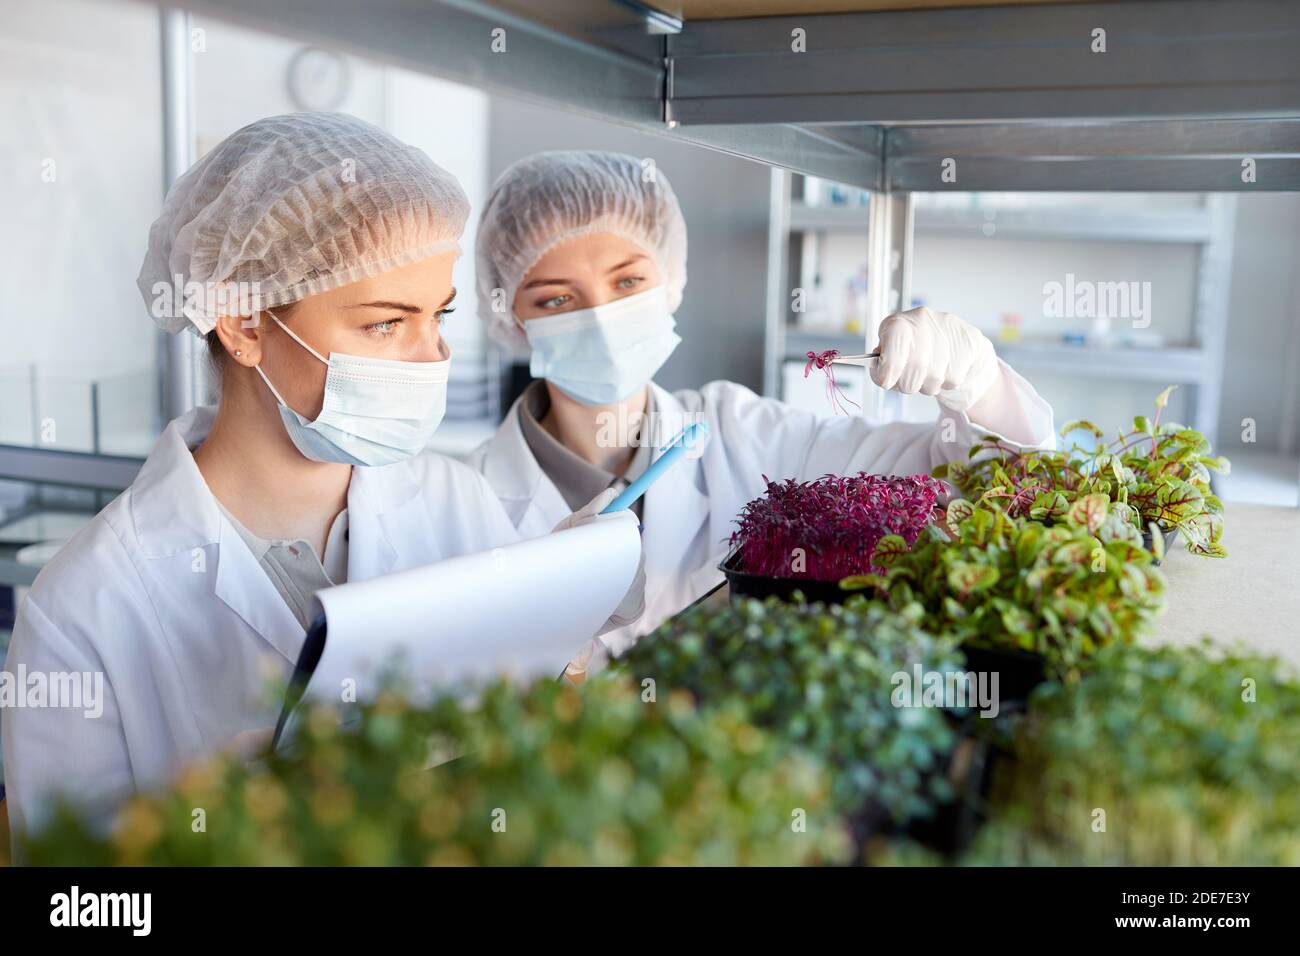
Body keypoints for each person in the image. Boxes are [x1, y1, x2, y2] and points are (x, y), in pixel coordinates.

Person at [1, 116, 641, 843]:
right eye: (384, 324)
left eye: (438, 316)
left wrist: (558, 642)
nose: (430, 358)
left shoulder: (458, 503)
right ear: (242, 323)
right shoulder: (87, 604)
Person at [467, 150, 1054, 666]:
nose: (598, 317)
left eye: (626, 283)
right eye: (556, 298)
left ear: (669, 279)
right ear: (510, 317)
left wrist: (976, 387)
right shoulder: (462, 505)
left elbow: (976, 492)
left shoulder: (745, 435)